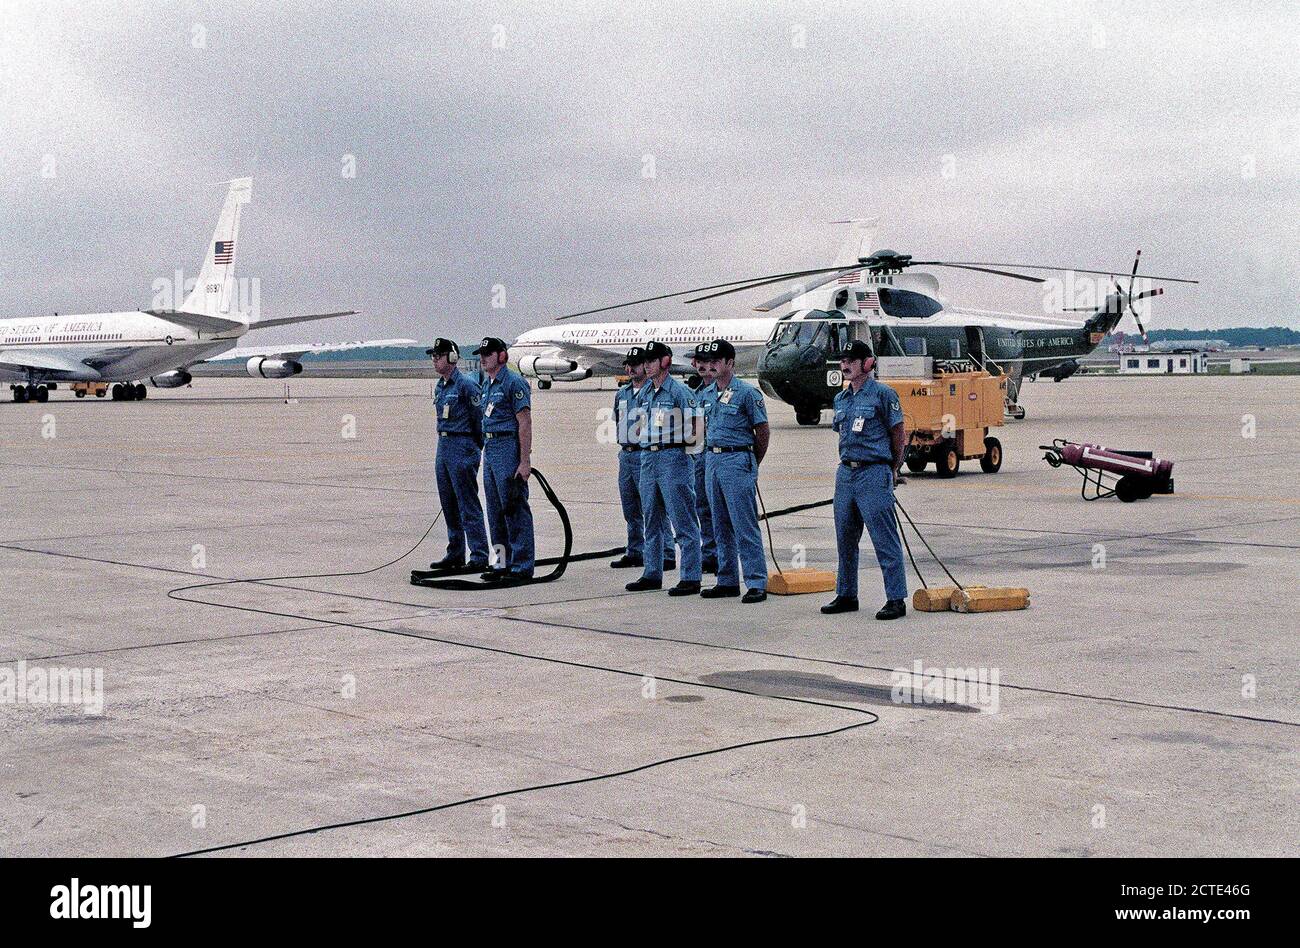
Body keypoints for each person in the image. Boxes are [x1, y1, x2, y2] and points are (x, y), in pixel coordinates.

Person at [821, 340, 908, 619]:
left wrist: (893, 469)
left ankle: (896, 598)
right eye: (842, 360)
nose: (845, 364)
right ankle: (846, 593)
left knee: (884, 537)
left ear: (867, 363)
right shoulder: (841, 399)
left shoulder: (884, 394)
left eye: (851, 359)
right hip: (846, 472)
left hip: (873, 472)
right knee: (845, 537)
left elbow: (898, 435)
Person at [625, 340, 702, 596]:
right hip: (649, 459)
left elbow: (697, 427)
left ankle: (691, 576)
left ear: (665, 362)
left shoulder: (679, 392)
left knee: (683, 520)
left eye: (651, 360)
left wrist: (689, 459)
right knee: (652, 519)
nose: (646, 365)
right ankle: (652, 572)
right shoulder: (646, 393)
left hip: (673, 457)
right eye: (645, 361)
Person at [697, 339, 770, 604]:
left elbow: (762, 431)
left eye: (717, 361)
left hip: (737, 459)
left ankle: (756, 581)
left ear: (730, 363)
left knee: (744, 524)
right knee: (720, 525)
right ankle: (726, 579)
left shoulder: (747, 393)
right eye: (709, 362)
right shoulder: (705, 394)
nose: (711, 366)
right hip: (712, 461)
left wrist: (751, 463)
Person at [473, 336, 535, 581]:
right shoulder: (487, 384)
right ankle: (500, 564)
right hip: (491, 447)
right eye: (481, 354)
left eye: (487, 354)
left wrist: (524, 461)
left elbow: (525, 422)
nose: (482, 359)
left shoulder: (514, 383)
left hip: (508, 446)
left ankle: (521, 566)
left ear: (501, 356)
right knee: (495, 511)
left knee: (514, 507)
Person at [426, 338, 490, 571]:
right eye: (433, 356)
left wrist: (473, 450)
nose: (435, 360)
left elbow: (479, 421)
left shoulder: (466, 385)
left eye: (439, 356)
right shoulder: (441, 386)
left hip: (461, 445)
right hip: (443, 445)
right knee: (449, 503)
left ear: (452, 358)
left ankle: (479, 555)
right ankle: (455, 552)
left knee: (467, 503)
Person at [609, 346, 650, 570]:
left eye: (635, 364)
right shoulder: (622, 394)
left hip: (646, 453)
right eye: (628, 364)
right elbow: (618, 419)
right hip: (627, 455)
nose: (630, 368)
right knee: (630, 507)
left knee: (653, 506)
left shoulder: (652, 392)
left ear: (645, 365)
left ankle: (665, 552)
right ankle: (635, 550)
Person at [688, 351, 719, 575]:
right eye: (700, 362)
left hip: (722, 458)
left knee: (722, 510)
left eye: (710, 362)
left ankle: (724, 555)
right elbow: (692, 432)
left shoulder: (726, 391)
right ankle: (709, 554)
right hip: (700, 458)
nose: (704, 366)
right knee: (702, 507)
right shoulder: (694, 395)